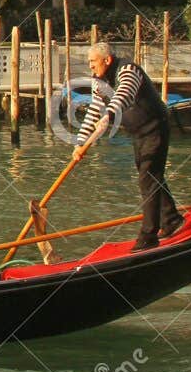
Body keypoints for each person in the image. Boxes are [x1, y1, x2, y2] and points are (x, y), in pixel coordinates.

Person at [72, 41, 183, 251]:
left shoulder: (128, 70)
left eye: (93, 62)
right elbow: (94, 112)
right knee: (149, 174)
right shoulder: (99, 82)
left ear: (107, 60)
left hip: (156, 126)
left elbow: (124, 94)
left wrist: (109, 115)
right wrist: (80, 143)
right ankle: (171, 218)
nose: (91, 67)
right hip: (138, 132)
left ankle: (149, 236)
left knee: (148, 178)